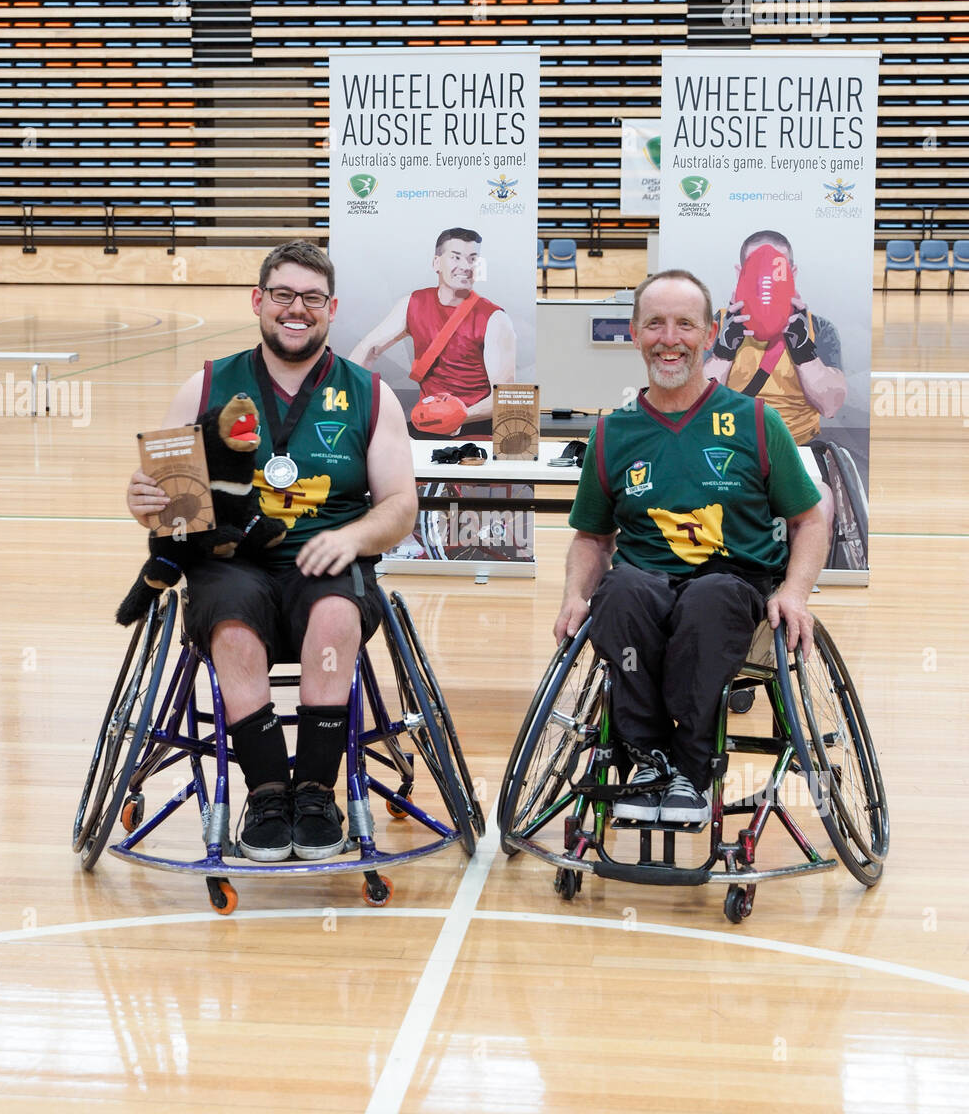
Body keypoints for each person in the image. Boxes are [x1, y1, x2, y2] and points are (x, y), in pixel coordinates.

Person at [126, 241, 418, 863]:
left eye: (312, 298)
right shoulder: (205, 385)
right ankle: (264, 793)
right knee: (231, 622)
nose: (296, 309)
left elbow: (399, 505)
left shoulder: (370, 393)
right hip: (233, 562)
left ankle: (314, 793)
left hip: (328, 561)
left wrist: (351, 537)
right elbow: (169, 505)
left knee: (336, 615)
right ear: (259, 301)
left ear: (331, 309)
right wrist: (144, 501)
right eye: (283, 295)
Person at [554, 269, 829, 828]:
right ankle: (649, 761)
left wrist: (796, 592)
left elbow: (809, 519)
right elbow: (591, 537)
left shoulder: (756, 421)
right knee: (621, 592)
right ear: (634, 333)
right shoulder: (613, 433)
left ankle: (691, 770)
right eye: (655, 323)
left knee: (707, 601)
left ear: (710, 333)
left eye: (685, 323)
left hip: (732, 585)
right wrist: (573, 595)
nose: (669, 337)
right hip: (646, 584)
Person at [349, 227, 516, 436]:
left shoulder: (495, 318)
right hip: (427, 421)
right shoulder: (413, 304)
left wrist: (458, 416)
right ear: (437, 262)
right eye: (456, 257)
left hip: (474, 424)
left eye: (473, 259)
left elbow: (503, 397)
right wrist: (347, 396)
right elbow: (369, 348)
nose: (465, 266)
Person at [704, 229, 847, 447]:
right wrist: (723, 352)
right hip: (733, 445)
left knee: (820, 484)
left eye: (776, 269)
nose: (766, 278)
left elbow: (831, 406)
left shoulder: (818, 328)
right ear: (739, 273)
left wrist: (803, 351)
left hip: (798, 447)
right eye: (755, 269)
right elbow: (700, 403)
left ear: (793, 273)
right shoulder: (717, 325)